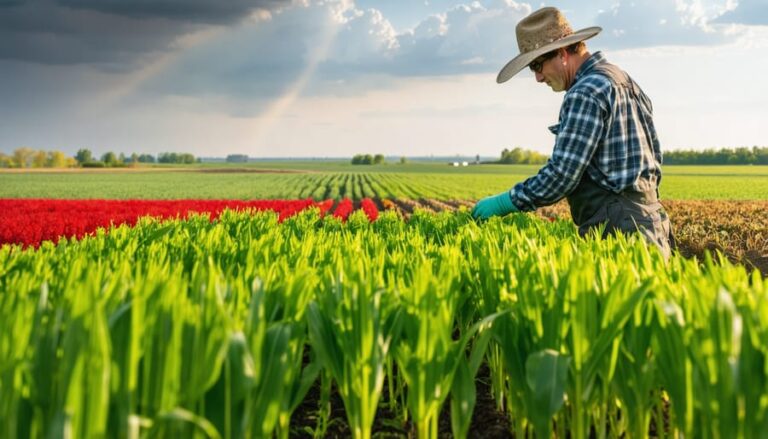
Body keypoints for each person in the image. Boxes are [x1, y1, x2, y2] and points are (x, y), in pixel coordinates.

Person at [471, 6, 675, 258]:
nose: (537, 77)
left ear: (562, 52)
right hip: (651, 221)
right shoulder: (624, 80)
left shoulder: (585, 92)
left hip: (620, 230)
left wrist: (504, 202)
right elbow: (655, 157)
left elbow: (562, 175)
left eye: (537, 65)